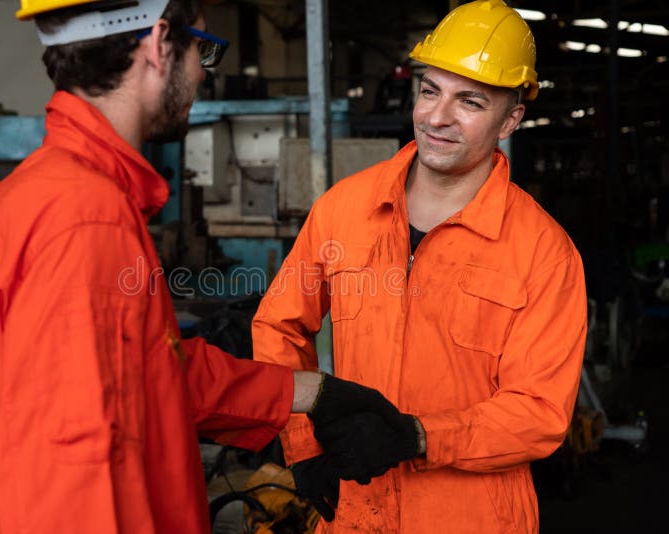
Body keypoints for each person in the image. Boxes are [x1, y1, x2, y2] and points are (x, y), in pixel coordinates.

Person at [0, 1, 402, 532]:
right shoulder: (87, 218)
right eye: (203, 49)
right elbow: (78, 469)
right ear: (158, 43)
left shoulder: (30, 192)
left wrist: (309, 393)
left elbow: (155, 376)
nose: (201, 73)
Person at [252, 1, 588, 532]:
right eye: (430, 90)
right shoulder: (343, 210)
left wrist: (417, 437)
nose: (437, 116)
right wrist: (303, 444)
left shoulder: (544, 252)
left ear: (511, 119)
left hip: (471, 517)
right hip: (353, 509)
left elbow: (540, 413)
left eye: (469, 101)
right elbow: (279, 325)